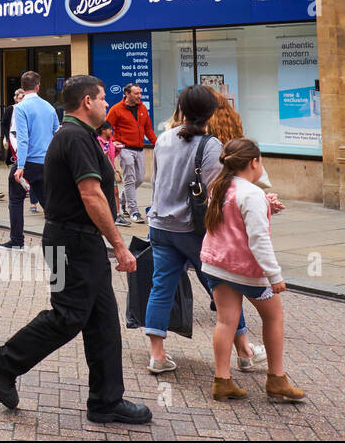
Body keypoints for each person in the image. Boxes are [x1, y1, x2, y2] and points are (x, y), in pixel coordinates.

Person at [0, 75, 151, 425]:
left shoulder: (81, 135)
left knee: (103, 321)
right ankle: (5, 360)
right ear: (87, 102)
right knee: (68, 316)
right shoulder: (75, 137)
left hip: (76, 240)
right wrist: (119, 246)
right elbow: (92, 195)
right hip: (70, 242)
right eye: (103, 98)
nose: (107, 103)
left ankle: (106, 401)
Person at [144, 85, 267, 377]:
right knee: (225, 289)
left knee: (161, 288)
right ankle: (245, 352)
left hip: (160, 225)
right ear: (210, 113)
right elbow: (218, 193)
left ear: (182, 110)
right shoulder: (211, 145)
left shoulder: (163, 139)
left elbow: (157, 181)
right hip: (192, 230)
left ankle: (157, 356)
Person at [202, 138, 304, 402]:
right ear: (254, 162)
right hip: (246, 270)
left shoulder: (219, 186)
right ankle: (277, 378)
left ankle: (222, 381)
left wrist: (266, 207)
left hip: (216, 265)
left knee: (226, 321)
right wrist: (275, 276)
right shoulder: (252, 193)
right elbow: (258, 239)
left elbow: (232, 220)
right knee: (274, 317)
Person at [3, 71, 59, 250]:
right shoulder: (49, 107)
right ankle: (58, 239)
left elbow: (23, 138)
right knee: (48, 204)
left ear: (22, 86)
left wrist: (20, 166)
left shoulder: (20, 108)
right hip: (46, 163)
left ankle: (17, 241)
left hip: (28, 163)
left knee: (16, 201)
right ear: (38, 86)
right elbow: (56, 132)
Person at [106, 84, 157, 224]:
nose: (140, 96)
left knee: (140, 179)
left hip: (140, 148)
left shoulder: (142, 108)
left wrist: (158, 144)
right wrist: (112, 142)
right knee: (129, 179)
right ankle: (134, 211)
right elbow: (105, 128)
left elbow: (148, 129)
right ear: (127, 94)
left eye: (140, 93)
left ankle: (122, 201)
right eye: (136, 93)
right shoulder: (116, 109)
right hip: (125, 148)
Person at [97, 122, 127, 221]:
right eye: (110, 129)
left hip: (111, 170)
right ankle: (103, 213)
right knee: (103, 193)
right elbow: (97, 156)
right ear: (103, 130)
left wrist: (117, 149)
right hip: (102, 171)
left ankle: (117, 214)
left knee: (115, 192)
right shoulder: (98, 141)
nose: (111, 131)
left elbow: (113, 155)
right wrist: (103, 155)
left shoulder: (110, 142)